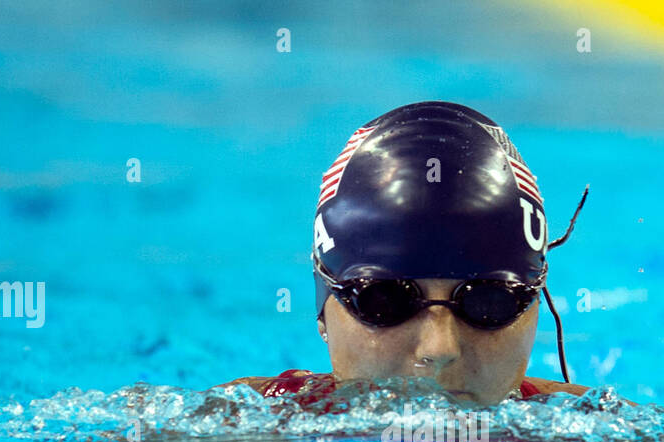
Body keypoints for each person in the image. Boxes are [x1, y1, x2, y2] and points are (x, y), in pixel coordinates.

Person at [222, 100, 590, 404]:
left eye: (490, 303)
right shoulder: (240, 423)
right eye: (384, 301)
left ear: (535, 307)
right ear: (323, 312)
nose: (439, 348)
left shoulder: (604, 432)